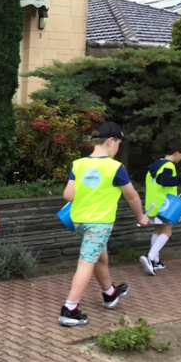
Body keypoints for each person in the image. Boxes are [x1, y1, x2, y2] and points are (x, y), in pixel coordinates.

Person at [58, 122, 149, 327]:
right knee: (86, 263)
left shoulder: (79, 164)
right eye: (119, 143)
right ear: (110, 141)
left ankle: (110, 293)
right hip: (99, 223)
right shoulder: (116, 168)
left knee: (100, 256)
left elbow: (68, 195)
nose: (119, 148)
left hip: (79, 220)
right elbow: (132, 197)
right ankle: (70, 309)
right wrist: (141, 217)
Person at [139, 139, 181, 275]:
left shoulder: (156, 164)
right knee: (167, 232)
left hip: (153, 204)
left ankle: (155, 260)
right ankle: (150, 257)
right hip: (165, 205)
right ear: (177, 153)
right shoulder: (168, 166)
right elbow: (165, 181)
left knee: (158, 231)